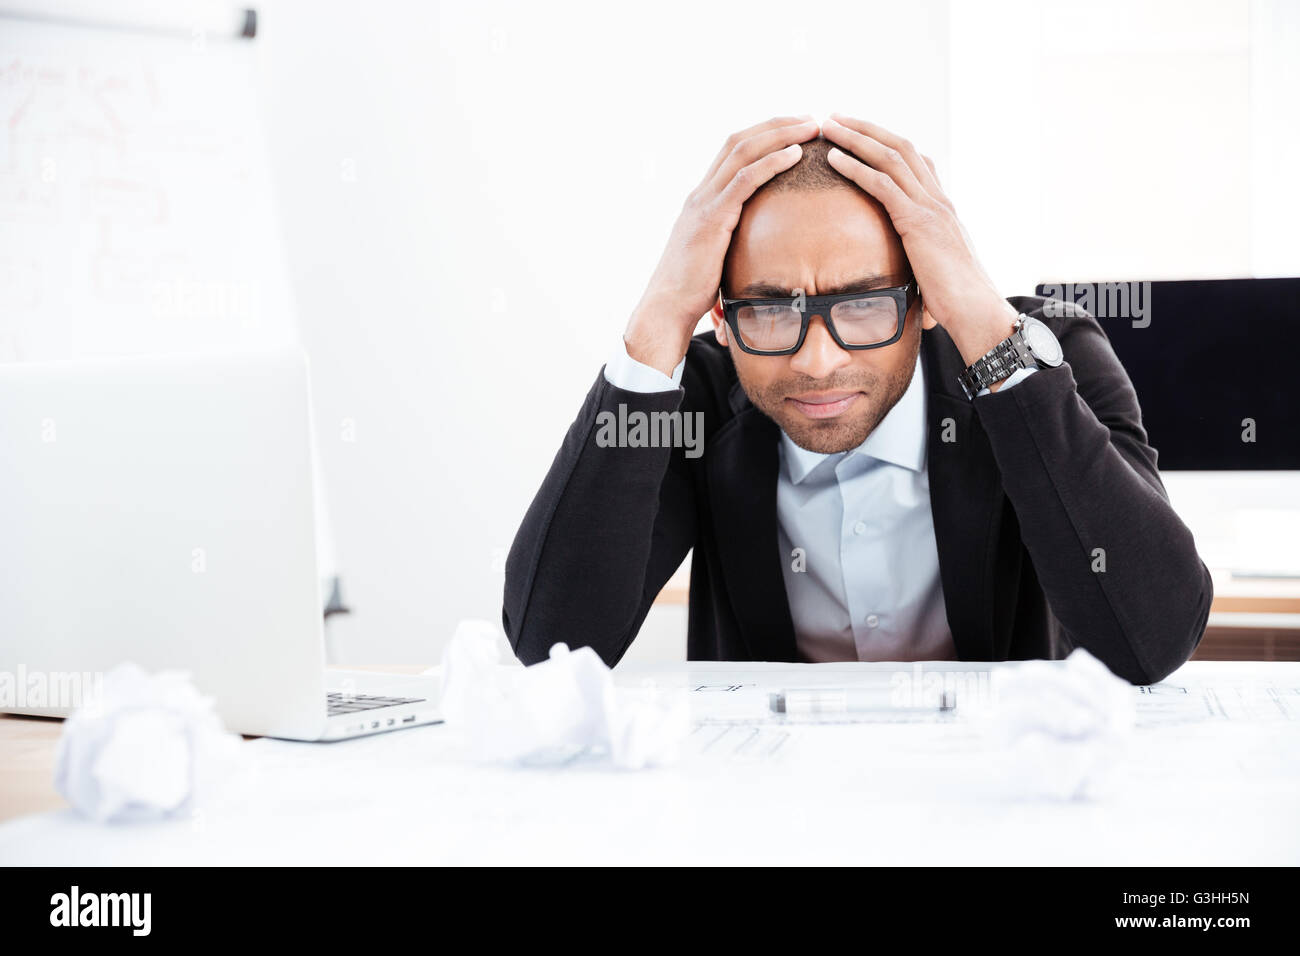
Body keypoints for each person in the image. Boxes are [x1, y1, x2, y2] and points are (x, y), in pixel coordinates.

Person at [503, 114, 1211, 684]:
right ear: (720, 317)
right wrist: (657, 320)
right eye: (771, 311)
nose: (818, 360)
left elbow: (1148, 643)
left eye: (866, 305)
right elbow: (554, 645)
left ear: (927, 298)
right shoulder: (698, 399)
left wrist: (990, 336)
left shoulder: (1044, 357)